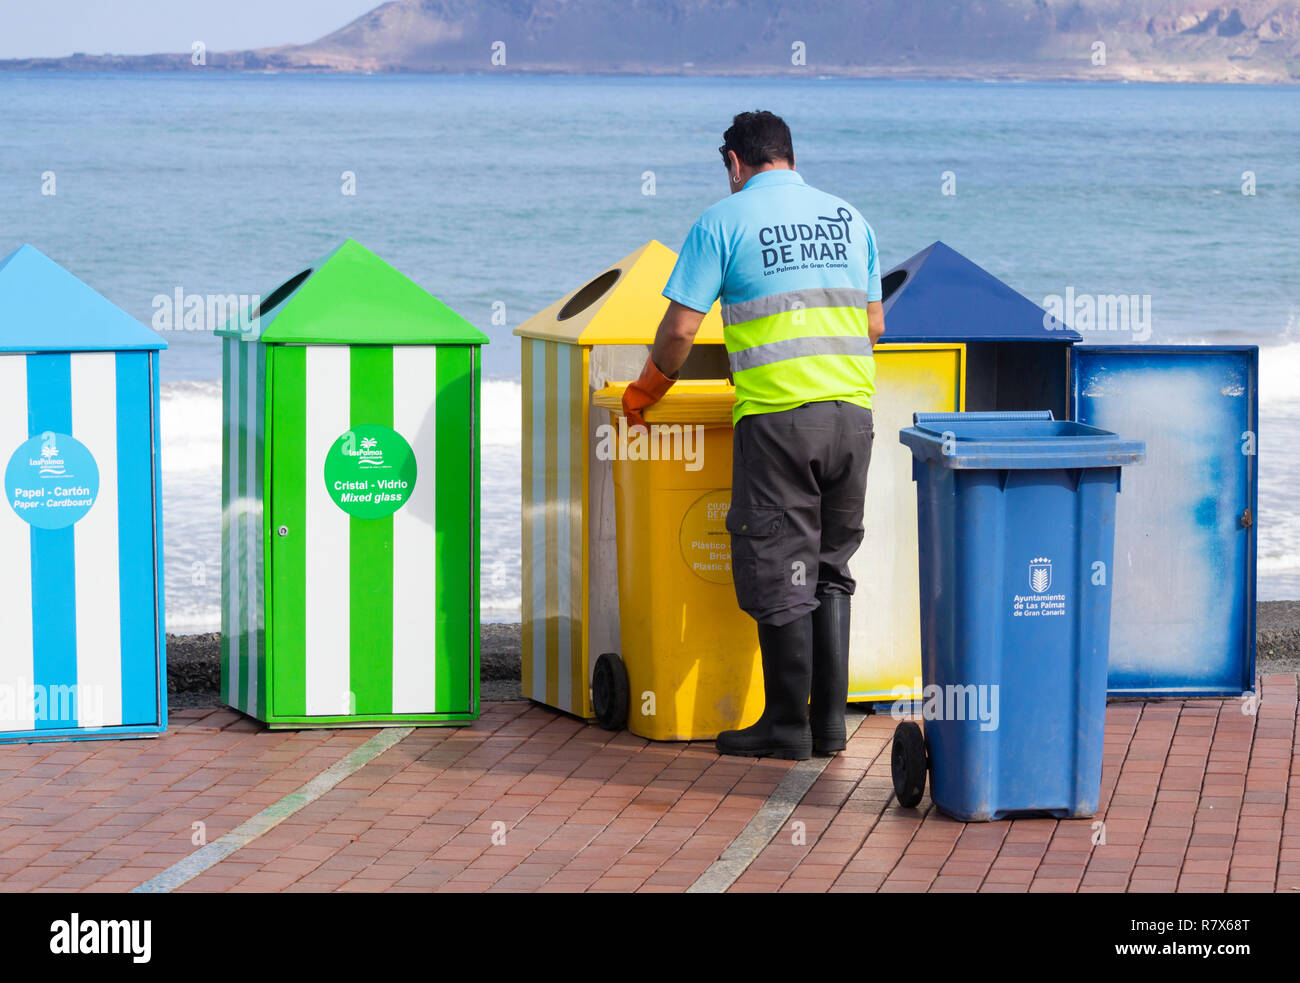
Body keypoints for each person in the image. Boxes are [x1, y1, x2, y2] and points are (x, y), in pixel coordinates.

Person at [622, 110, 884, 760]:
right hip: (852, 415)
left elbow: (681, 330)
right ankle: (828, 726)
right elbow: (875, 324)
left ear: (735, 162)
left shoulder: (723, 221)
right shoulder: (851, 219)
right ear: (789, 157)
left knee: (780, 563)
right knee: (829, 566)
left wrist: (647, 389)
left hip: (779, 419)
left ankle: (785, 727)